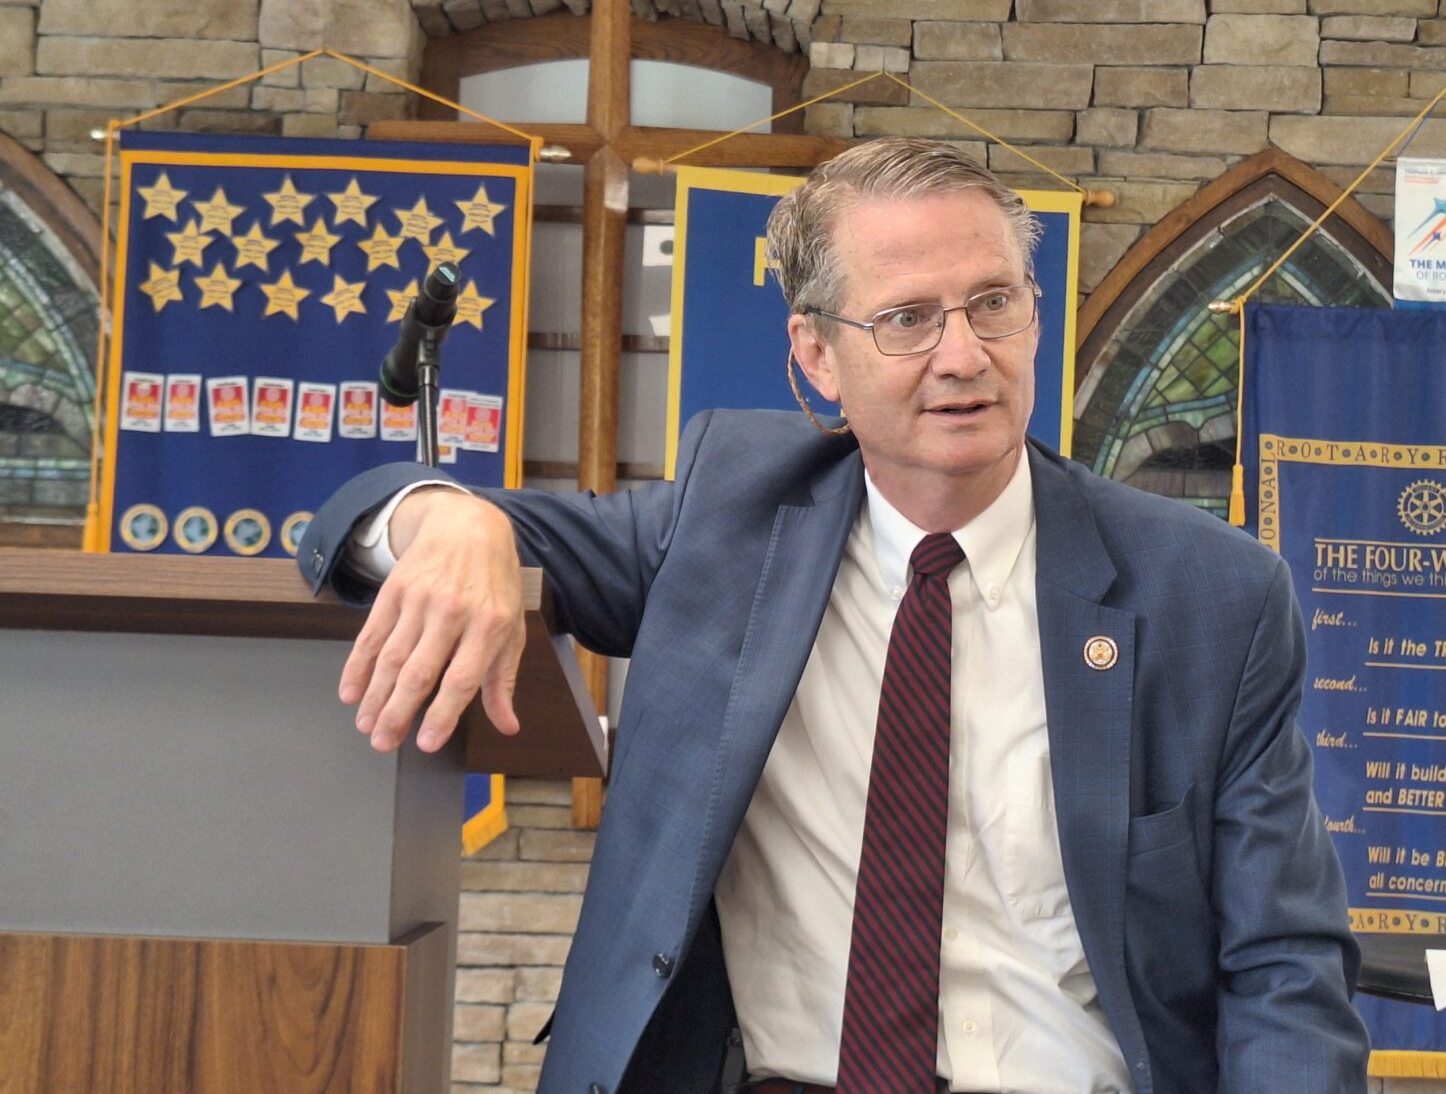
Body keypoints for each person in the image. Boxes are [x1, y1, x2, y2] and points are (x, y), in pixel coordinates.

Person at [299, 137, 1369, 1094]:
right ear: (817, 356)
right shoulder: (729, 526)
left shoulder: (1207, 596)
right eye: (907, 319)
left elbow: (1285, 964)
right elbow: (358, 522)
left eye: (993, 302)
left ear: (1034, 314)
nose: (962, 355)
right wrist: (449, 521)